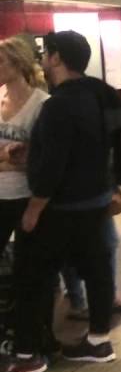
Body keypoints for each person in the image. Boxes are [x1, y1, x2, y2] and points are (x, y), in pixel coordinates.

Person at [10, 31, 121, 372]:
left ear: (57, 58)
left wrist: (34, 209)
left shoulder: (58, 104)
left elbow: (55, 164)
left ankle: (27, 354)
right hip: (94, 200)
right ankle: (98, 341)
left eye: (46, 53)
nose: (43, 58)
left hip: (63, 207)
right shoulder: (97, 93)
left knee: (31, 273)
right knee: (97, 270)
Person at [0, 37, 49, 246]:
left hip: (26, 195)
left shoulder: (42, 104)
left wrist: (11, 161)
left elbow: (41, 159)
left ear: (18, 64)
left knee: (29, 266)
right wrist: (8, 160)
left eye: (0, 61)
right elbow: (18, 158)